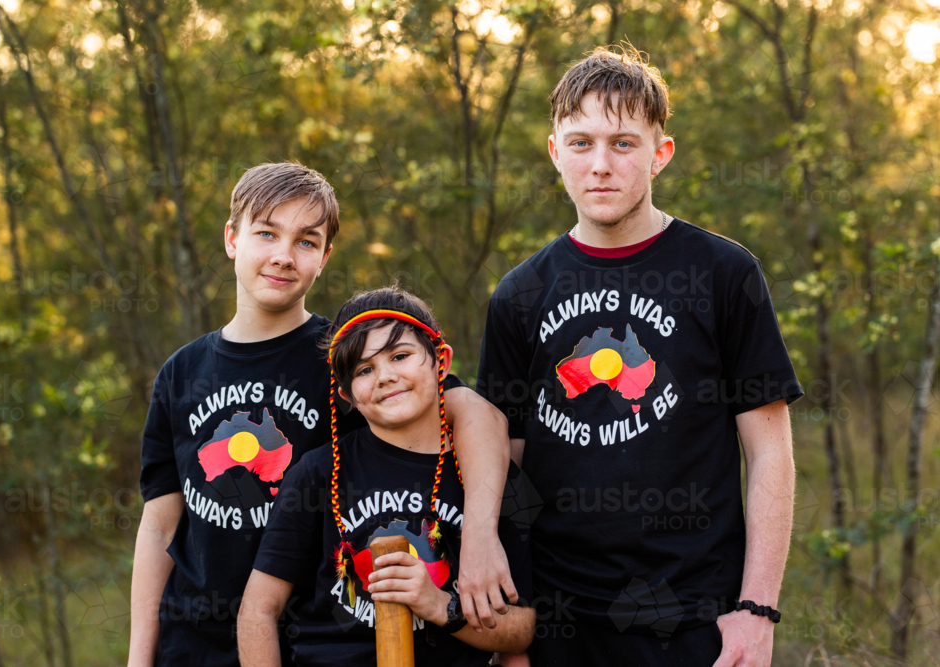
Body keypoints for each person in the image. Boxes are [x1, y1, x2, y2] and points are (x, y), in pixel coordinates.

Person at [476, 46, 803, 667]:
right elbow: (505, 466)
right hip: (558, 622)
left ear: (661, 153)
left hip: (696, 621)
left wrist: (756, 611)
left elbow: (769, 453)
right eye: (581, 143)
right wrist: (511, 629)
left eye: (623, 143)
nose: (601, 165)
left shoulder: (724, 274)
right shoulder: (519, 294)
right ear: (555, 152)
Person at [130, 163, 518, 667]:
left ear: (324, 258)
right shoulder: (181, 372)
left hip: (304, 638)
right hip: (191, 644)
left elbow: (477, 416)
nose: (283, 255)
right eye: (266, 233)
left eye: (306, 241)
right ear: (231, 238)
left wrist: (481, 536)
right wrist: (140, 657)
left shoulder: (349, 359)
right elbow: (160, 527)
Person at [237, 286, 535, 666]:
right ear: (347, 394)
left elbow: (522, 630)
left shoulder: (490, 478)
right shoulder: (317, 474)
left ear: (441, 361)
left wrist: (438, 605)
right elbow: (258, 611)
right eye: (364, 370)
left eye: (400, 356)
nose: (385, 376)